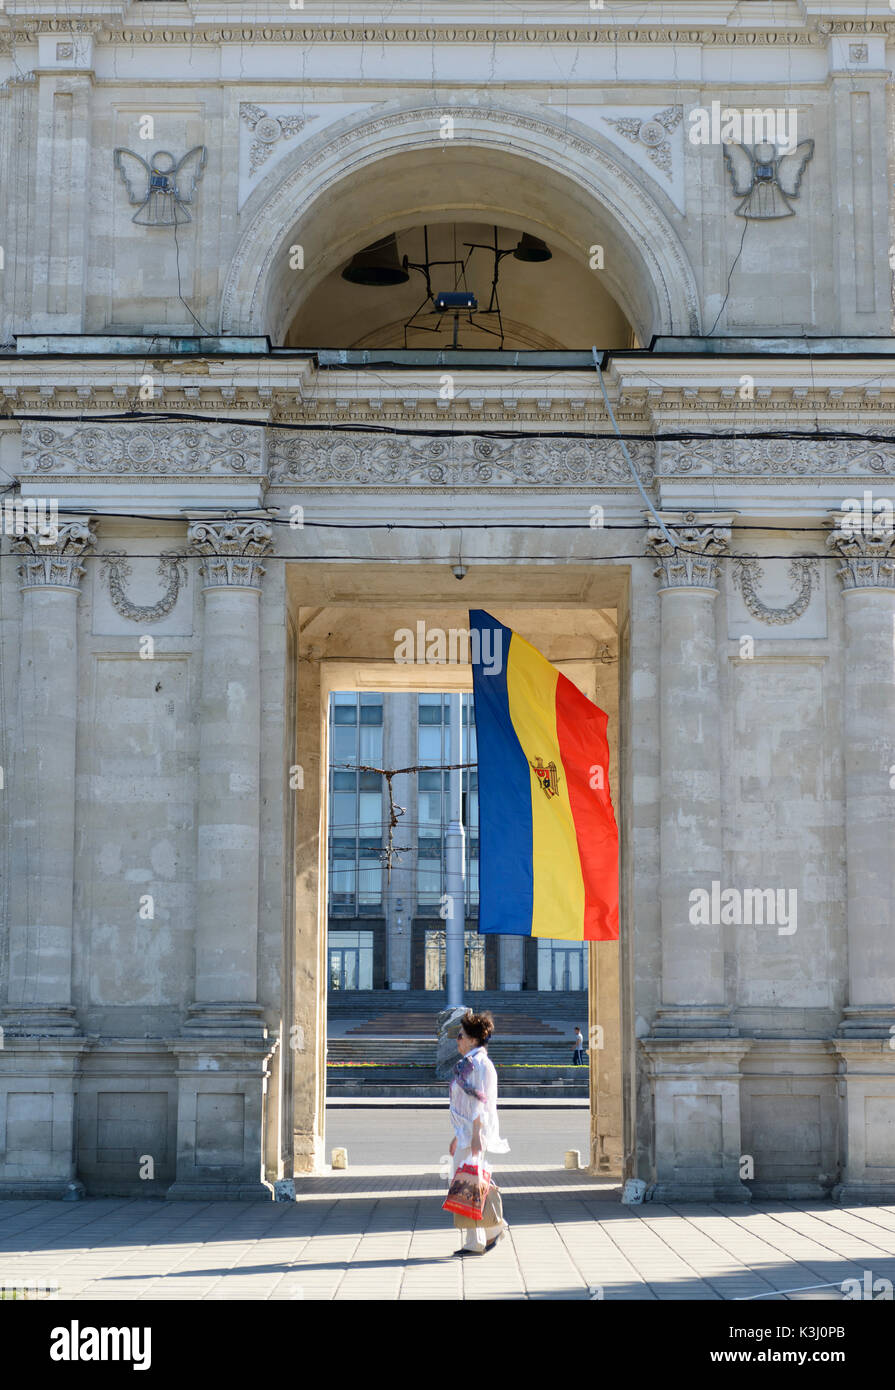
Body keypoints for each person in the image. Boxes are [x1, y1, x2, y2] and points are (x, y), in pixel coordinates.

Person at [448, 1010, 510, 1256]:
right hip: (466, 1133)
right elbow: (464, 1104)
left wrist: (475, 1134)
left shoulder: (478, 1065)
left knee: (468, 1184)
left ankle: (484, 1234)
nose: (457, 1040)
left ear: (473, 1040)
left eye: (461, 1036)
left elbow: (480, 1103)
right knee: (469, 1183)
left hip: (474, 1134)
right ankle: (488, 1232)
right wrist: (458, 1134)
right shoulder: (470, 1063)